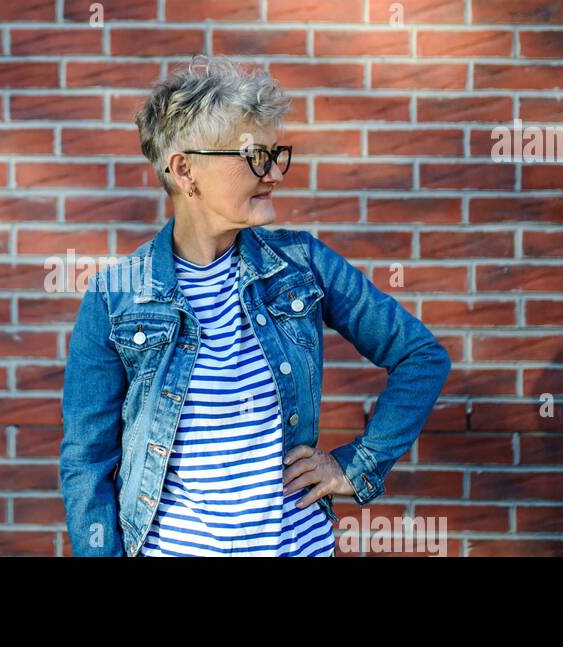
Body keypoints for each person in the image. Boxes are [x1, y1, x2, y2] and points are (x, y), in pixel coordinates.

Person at [60, 55, 452, 557]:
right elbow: (86, 461)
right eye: (253, 156)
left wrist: (356, 465)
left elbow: (420, 355)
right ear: (186, 171)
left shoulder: (302, 264)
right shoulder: (115, 297)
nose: (273, 173)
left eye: (274, 153)